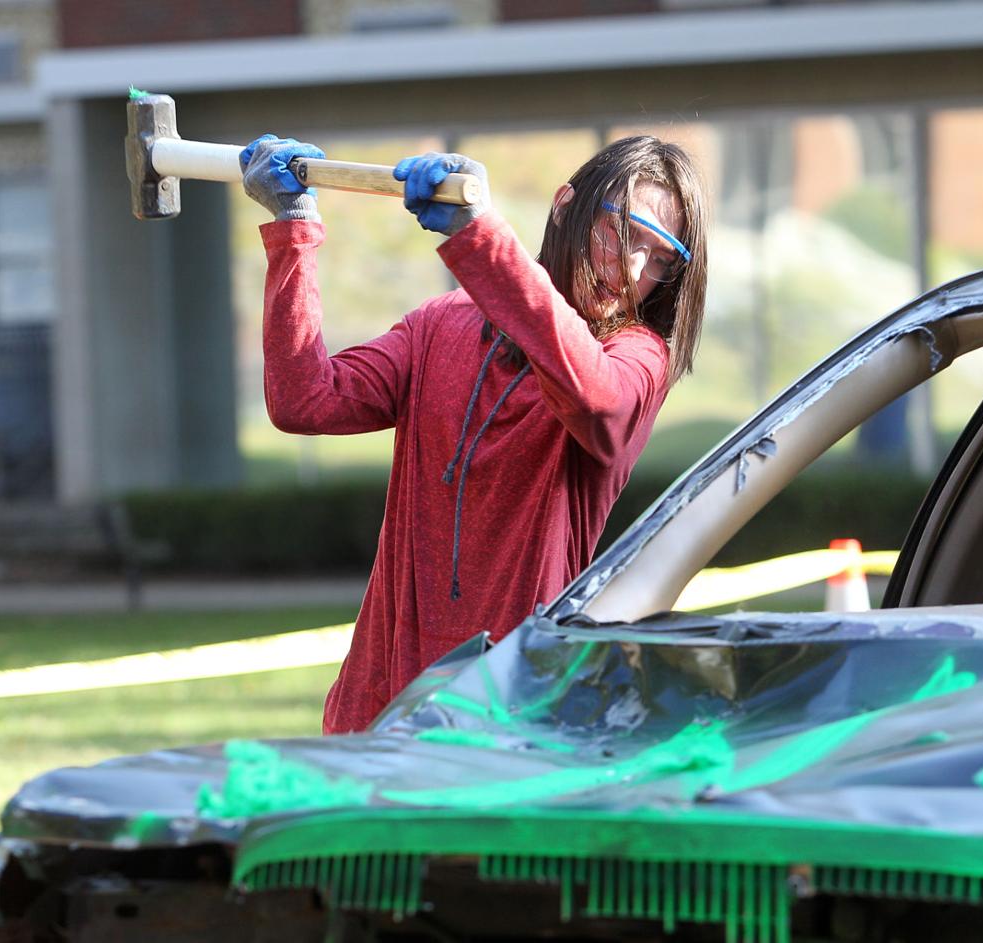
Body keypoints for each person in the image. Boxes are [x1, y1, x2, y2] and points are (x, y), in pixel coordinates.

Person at [240, 134, 709, 734]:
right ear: (565, 207)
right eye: (621, 233)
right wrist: (293, 229)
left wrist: (481, 234)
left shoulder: (637, 357)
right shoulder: (441, 323)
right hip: (377, 712)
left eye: (661, 257)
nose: (635, 269)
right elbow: (304, 400)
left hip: (512, 722)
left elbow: (599, 402)